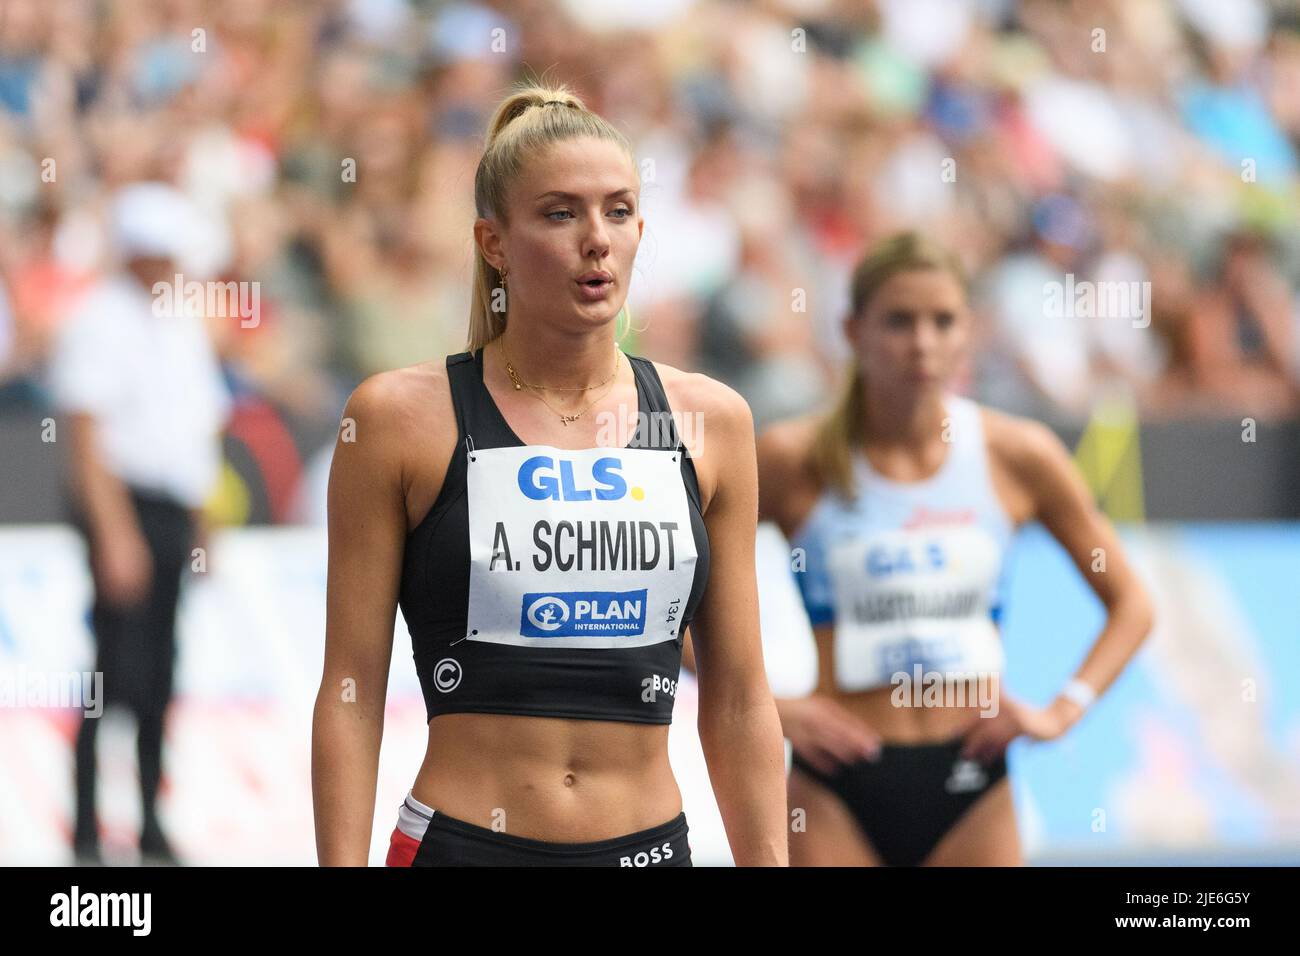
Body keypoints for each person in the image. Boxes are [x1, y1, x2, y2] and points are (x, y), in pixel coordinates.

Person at [311, 83, 787, 867]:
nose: (597, 240)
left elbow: (738, 700)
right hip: (464, 845)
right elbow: (349, 694)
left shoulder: (709, 422)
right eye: (560, 213)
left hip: (648, 848)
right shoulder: (400, 418)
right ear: (493, 242)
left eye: (620, 211)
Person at [757, 231, 1155, 866]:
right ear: (853, 330)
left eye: (943, 321)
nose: (922, 342)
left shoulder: (1017, 455)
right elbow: (676, 604)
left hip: (973, 779)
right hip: (836, 780)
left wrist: (1060, 712)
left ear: (968, 331)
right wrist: (774, 709)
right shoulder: (792, 458)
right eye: (899, 321)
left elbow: (1133, 604)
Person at [48, 182, 232, 865]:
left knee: (161, 671)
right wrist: (115, 533)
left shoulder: (178, 323)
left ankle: (151, 821)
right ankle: (89, 830)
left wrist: (204, 518)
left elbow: (195, 434)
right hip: (122, 505)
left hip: (171, 508)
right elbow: (88, 438)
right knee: (111, 672)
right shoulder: (100, 318)